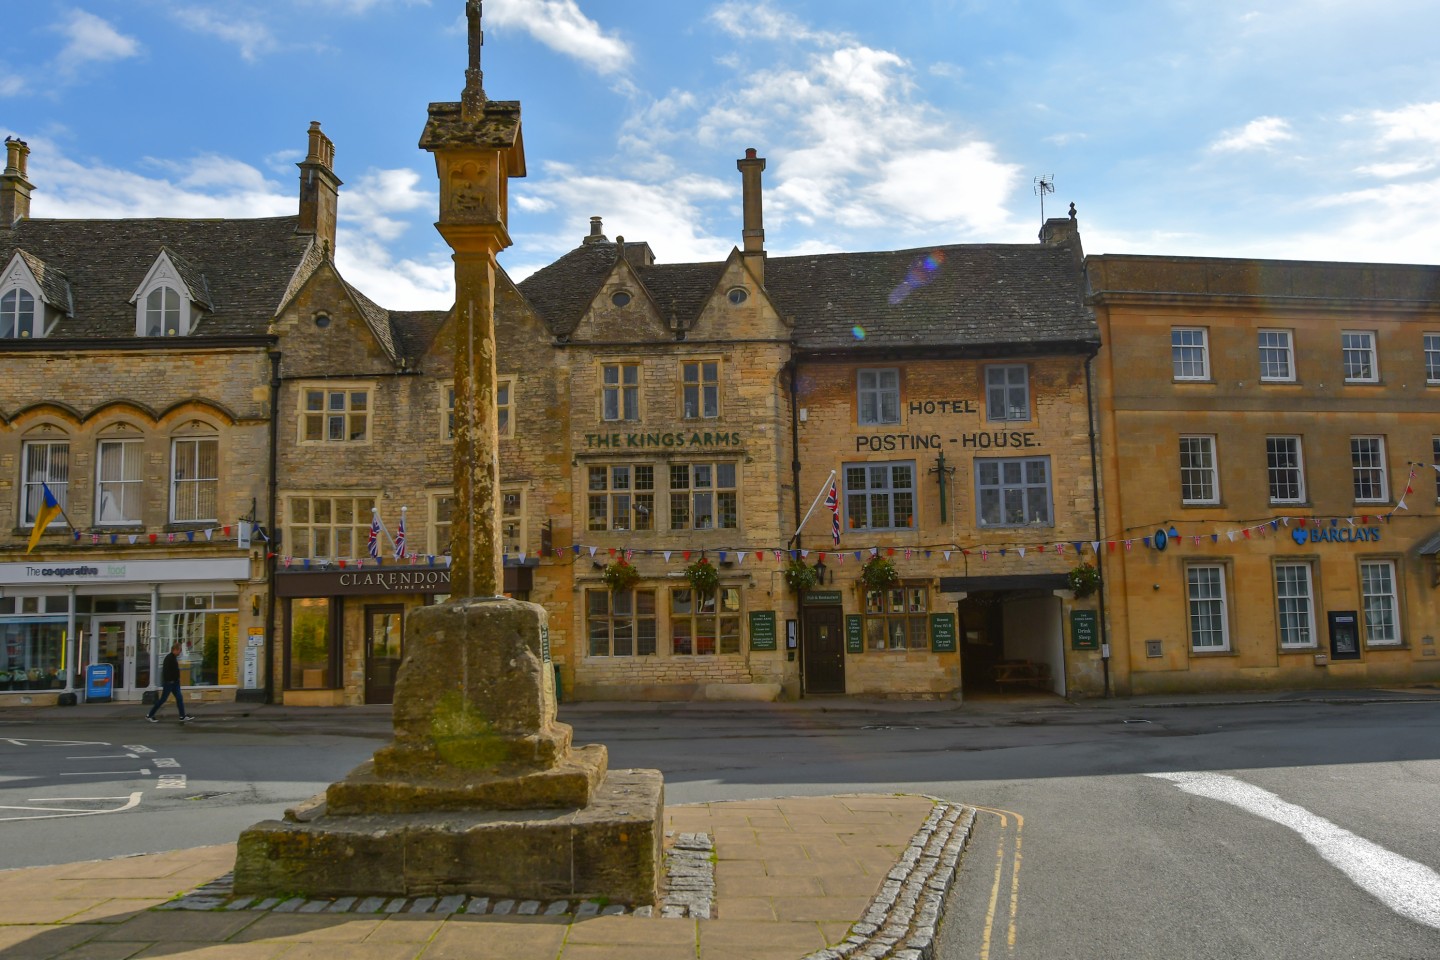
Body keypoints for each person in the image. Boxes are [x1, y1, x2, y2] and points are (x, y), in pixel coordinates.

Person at [147, 643, 191, 722]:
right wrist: (170, 680)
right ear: (175, 650)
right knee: (163, 699)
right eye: (179, 650)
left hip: (175, 683)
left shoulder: (173, 658)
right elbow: (166, 671)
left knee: (179, 698)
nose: (180, 652)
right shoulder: (169, 658)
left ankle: (182, 716)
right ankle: (150, 715)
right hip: (169, 683)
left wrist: (176, 679)